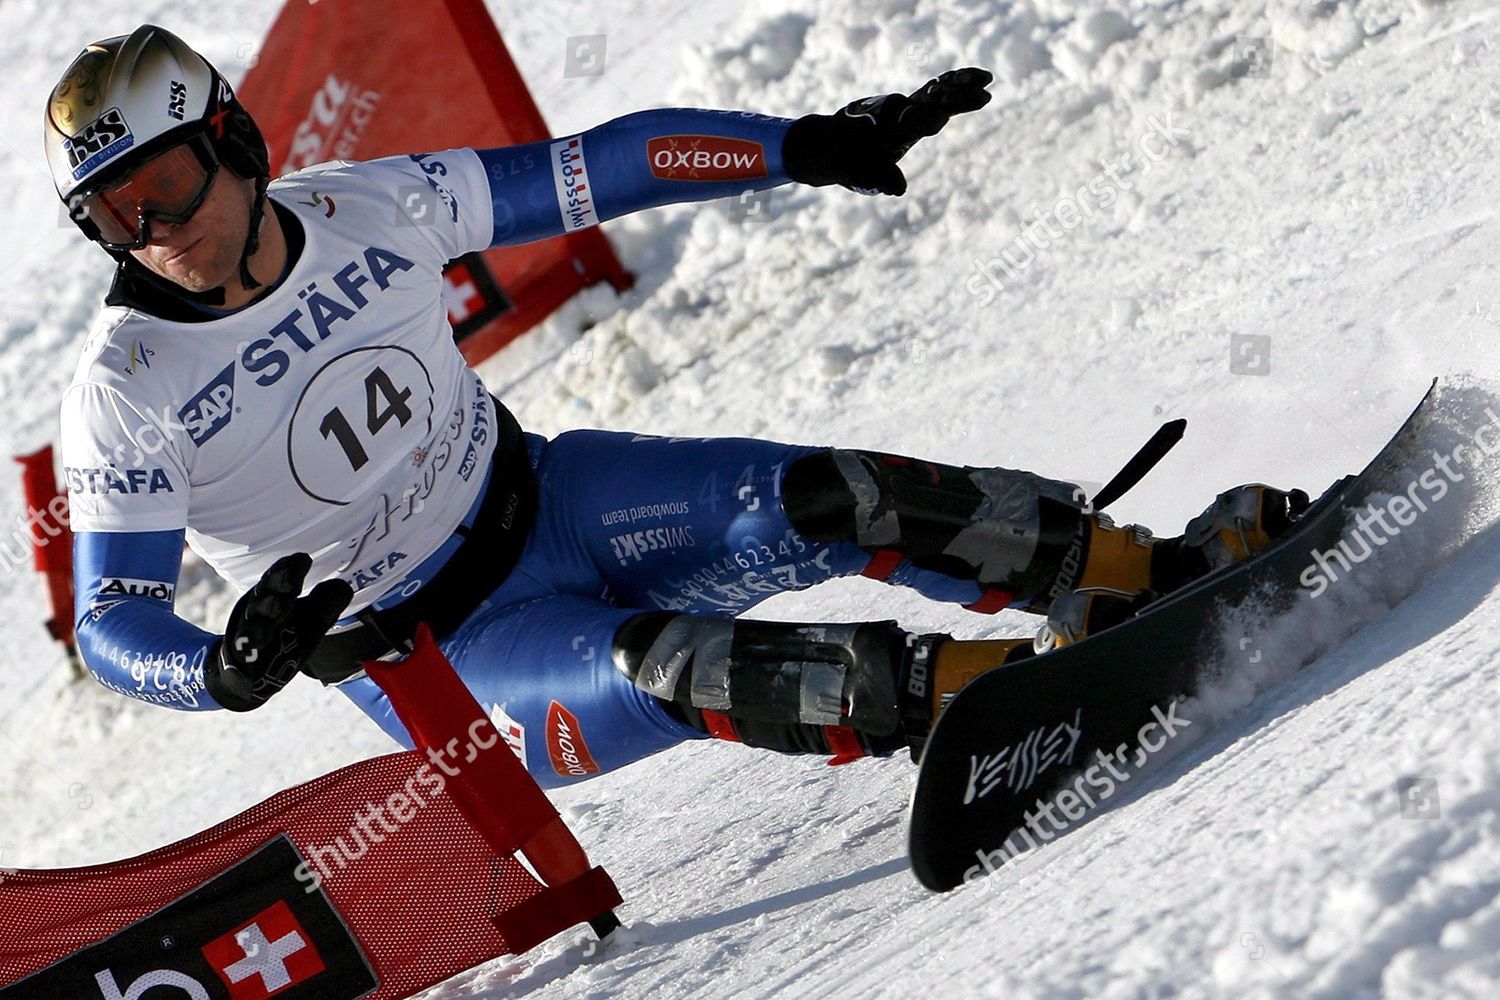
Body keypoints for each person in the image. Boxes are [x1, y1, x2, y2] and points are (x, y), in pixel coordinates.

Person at [49, 25, 1304, 789]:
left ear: (236, 138)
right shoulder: (123, 389)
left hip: (555, 500)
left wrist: (799, 143)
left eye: (163, 184)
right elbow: (113, 620)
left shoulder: (361, 204)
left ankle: (1141, 573)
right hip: (443, 663)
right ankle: (1007, 696)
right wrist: (217, 667)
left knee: (830, 496)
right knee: (676, 664)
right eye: (114, 216)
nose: (154, 234)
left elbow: (604, 167)